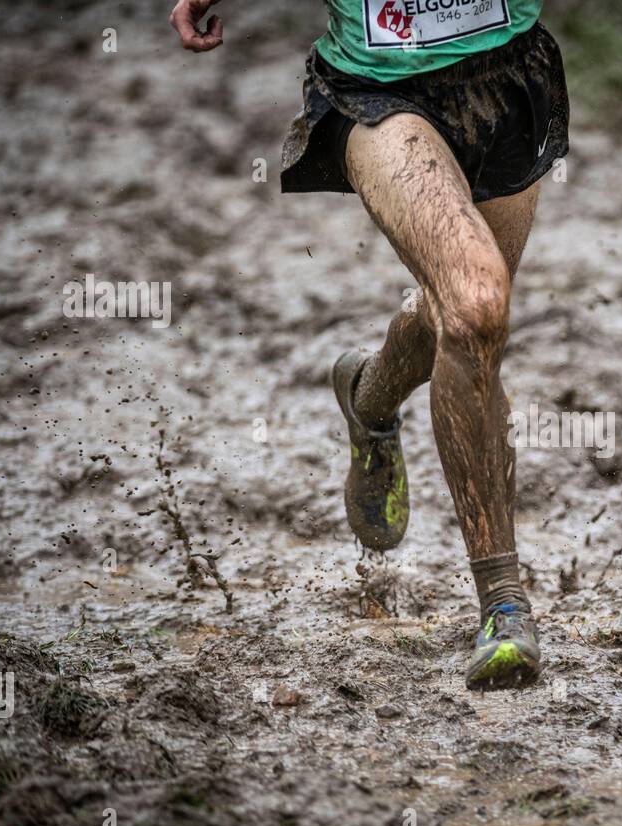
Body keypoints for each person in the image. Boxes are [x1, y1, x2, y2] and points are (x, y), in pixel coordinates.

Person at [169, 0, 569, 689]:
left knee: (465, 320)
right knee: (475, 305)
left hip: (510, 77)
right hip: (381, 93)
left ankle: (370, 397)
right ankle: (504, 603)